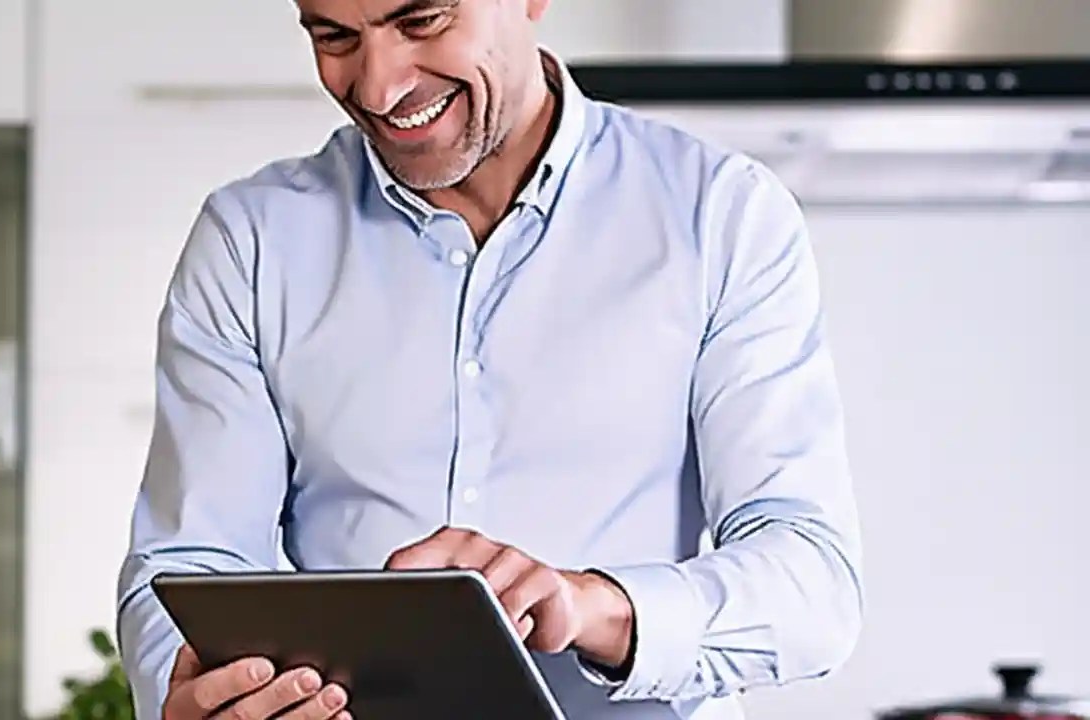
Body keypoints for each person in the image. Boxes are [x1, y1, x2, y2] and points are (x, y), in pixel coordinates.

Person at [116, 0, 864, 718]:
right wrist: (204, 693)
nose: (379, 86)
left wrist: (588, 604)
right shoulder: (252, 240)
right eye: (335, 37)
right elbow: (189, 565)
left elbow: (811, 586)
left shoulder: (720, 215)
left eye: (421, 20)